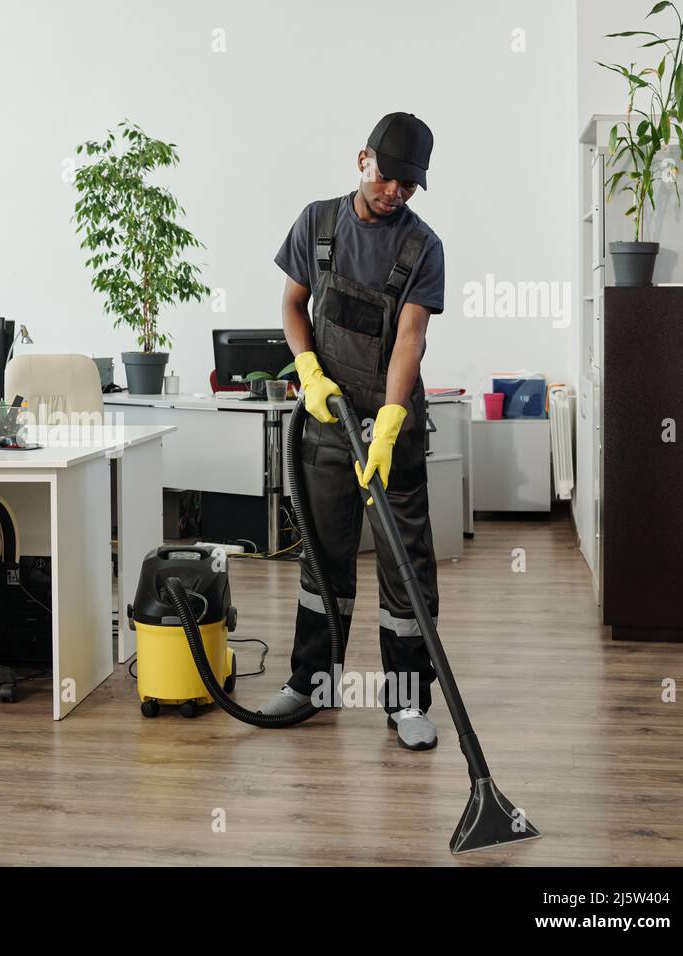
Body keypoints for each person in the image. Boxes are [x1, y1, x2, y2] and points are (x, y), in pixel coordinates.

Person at [259, 112, 447, 751]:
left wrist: (391, 420)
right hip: (327, 426)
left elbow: (410, 338)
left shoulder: (422, 246)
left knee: (405, 572)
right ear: (363, 159)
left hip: (390, 430)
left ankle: (406, 704)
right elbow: (291, 304)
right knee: (324, 562)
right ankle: (313, 686)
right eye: (390, 176)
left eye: (409, 185)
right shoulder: (316, 222)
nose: (397, 191)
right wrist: (309, 371)